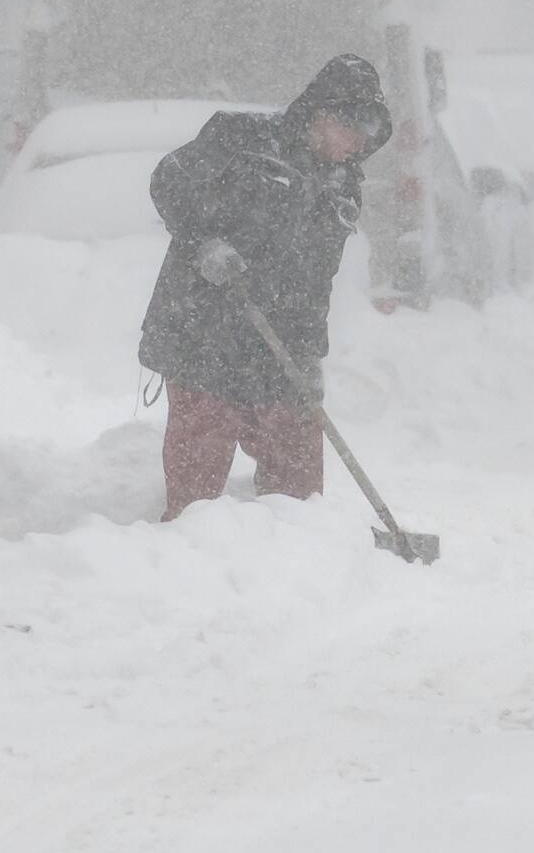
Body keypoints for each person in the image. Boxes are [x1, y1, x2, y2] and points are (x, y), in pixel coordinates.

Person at [138, 54, 394, 519]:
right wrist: (204, 245)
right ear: (323, 114)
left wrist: (311, 358)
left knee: (299, 482)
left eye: (367, 138)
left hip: (277, 344)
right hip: (204, 333)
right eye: (353, 130)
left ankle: (295, 550)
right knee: (197, 486)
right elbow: (168, 181)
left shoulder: (342, 186)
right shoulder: (241, 138)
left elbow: (318, 283)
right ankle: (184, 551)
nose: (358, 145)